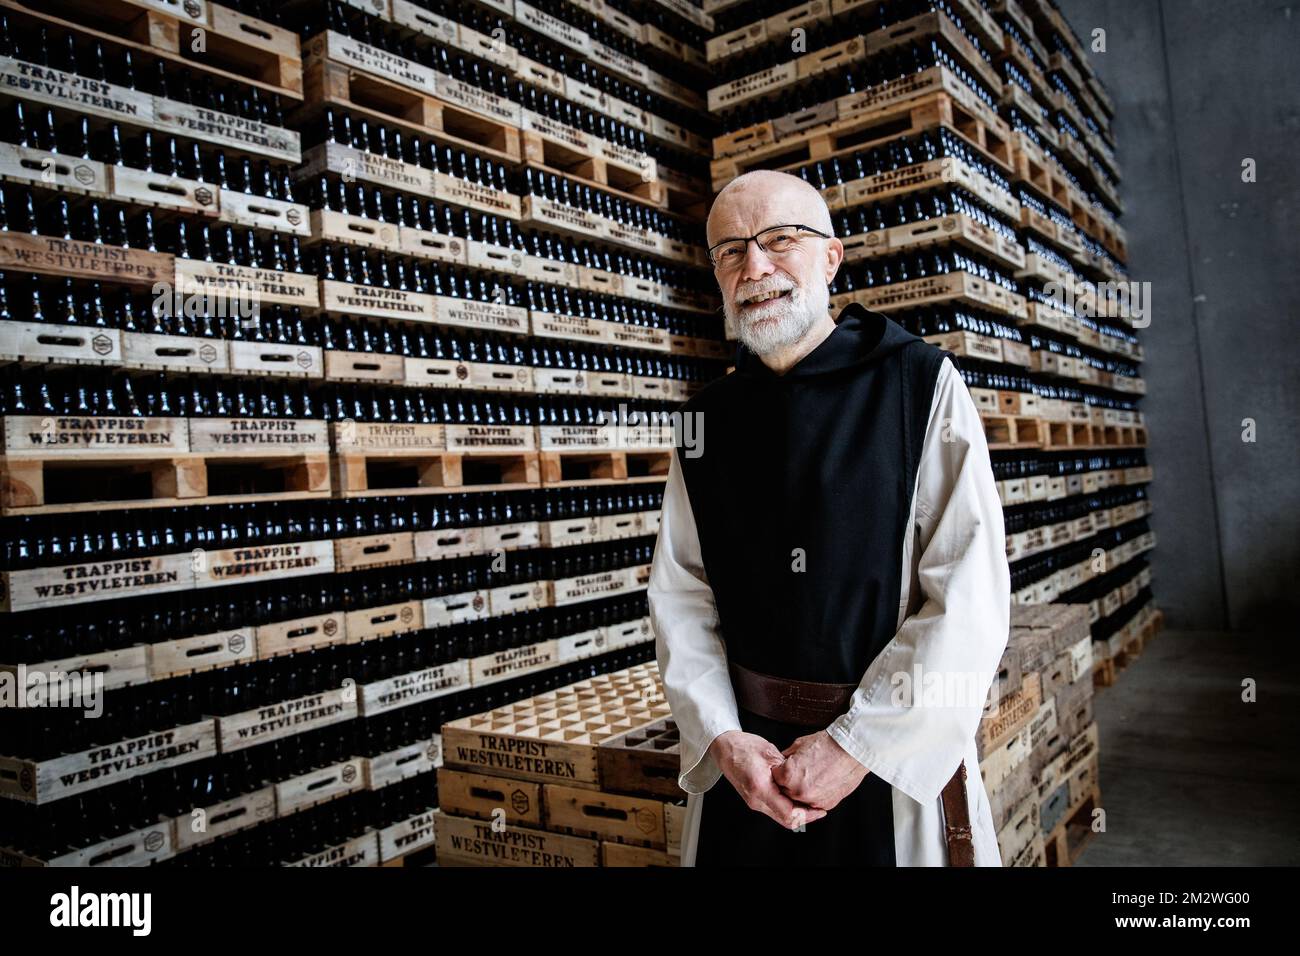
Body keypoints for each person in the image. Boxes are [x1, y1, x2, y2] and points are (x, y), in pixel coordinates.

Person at [647, 170, 1012, 866]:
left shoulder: (919, 385)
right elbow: (682, 595)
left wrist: (857, 746)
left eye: (779, 241)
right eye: (730, 251)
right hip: (749, 773)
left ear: (831, 258)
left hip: (885, 763)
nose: (755, 267)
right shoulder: (706, 421)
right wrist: (723, 738)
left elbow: (968, 595)